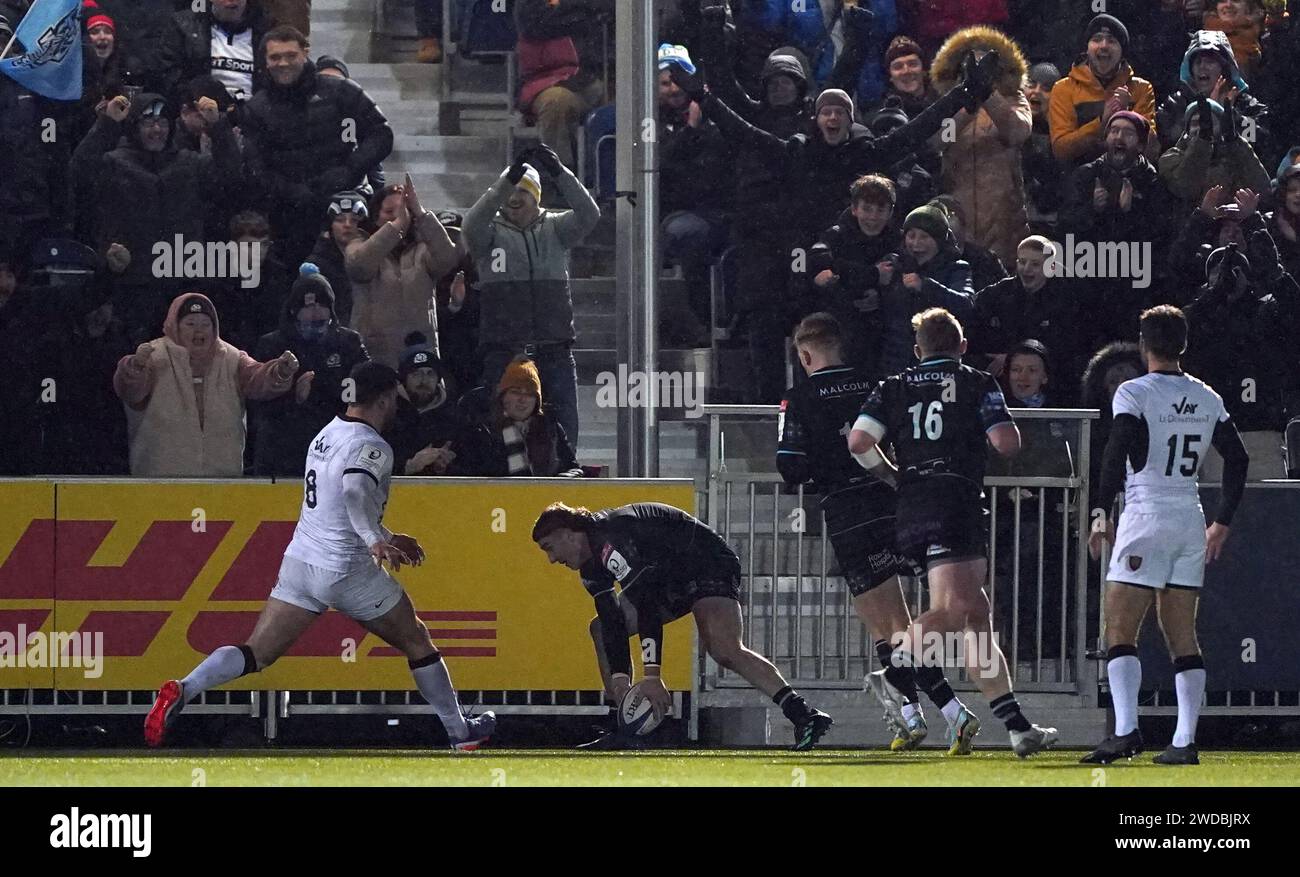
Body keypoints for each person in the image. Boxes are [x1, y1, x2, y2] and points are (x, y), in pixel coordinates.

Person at [145, 361, 496, 751]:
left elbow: (334, 504)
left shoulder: (326, 433)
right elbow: (353, 492)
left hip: (301, 562)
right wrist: (373, 540)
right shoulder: (373, 444)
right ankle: (459, 730)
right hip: (344, 567)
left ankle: (185, 687)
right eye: (393, 396)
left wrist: (387, 534)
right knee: (417, 641)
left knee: (257, 653)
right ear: (382, 398)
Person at [848, 307, 1058, 757]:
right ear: (962, 347)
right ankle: (896, 674)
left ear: (917, 349)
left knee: (977, 618)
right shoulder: (977, 382)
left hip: (911, 506)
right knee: (956, 607)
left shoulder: (894, 385)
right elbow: (1006, 443)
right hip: (957, 502)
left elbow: (859, 442)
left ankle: (1017, 727)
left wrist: (891, 475)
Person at [778, 313, 978, 753]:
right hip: (893, 503)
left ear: (805, 354)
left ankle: (952, 713)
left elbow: (790, 465)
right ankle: (911, 717)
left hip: (848, 512)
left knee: (888, 624)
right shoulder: (873, 383)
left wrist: (824, 464)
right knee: (892, 624)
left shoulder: (800, 396)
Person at [1083, 305, 1249, 766]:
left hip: (1146, 515)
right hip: (1190, 519)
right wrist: (1222, 521)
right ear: (1184, 345)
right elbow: (1238, 459)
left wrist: (1100, 512)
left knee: (1119, 629)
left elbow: (1116, 454)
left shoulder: (1134, 392)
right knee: (1182, 635)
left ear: (1142, 345)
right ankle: (1183, 741)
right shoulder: (1206, 396)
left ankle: (1124, 732)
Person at [532, 501, 834, 750]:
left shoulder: (611, 538)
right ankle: (622, 725)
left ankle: (803, 713)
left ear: (568, 533)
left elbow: (646, 602)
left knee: (724, 649)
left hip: (706, 561)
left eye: (549, 547)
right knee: (600, 628)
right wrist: (621, 679)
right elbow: (613, 622)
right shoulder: (590, 567)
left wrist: (652, 675)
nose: (551, 559)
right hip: (669, 576)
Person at [463, 145, 600, 444]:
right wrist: (507, 180)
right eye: (510, 192)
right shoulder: (488, 234)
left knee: (564, 422)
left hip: (554, 346)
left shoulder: (556, 227)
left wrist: (559, 173)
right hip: (502, 346)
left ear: (536, 195)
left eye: (522, 191)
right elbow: (470, 224)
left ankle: (566, 471)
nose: (514, 197)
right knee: (494, 425)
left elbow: (590, 214)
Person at [241, 26, 394, 265]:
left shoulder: (341, 90)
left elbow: (381, 134)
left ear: (305, 53)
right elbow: (255, 168)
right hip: (290, 217)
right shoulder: (256, 109)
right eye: (275, 57)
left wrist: (348, 171)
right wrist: (292, 191)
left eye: (291, 55)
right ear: (265, 61)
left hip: (347, 211)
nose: (283, 63)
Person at [113, 293, 299, 477]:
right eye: (190, 324)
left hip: (222, 484)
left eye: (205, 324)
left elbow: (258, 378)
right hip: (159, 484)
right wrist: (135, 367)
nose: (199, 331)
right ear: (175, 326)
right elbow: (129, 392)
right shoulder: (153, 356)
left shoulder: (232, 358)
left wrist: (280, 372)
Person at [928, 26, 1032, 267]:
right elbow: (939, 141)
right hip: (957, 216)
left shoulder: (1014, 98)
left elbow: (1017, 132)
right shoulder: (948, 102)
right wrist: (968, 103)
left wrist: (988, 95)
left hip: (1004, 216)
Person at [251, 267, 369, 476]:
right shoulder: (272, 346)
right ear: (294, 310)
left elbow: (364, 391)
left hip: (336, 446)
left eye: (321, 304)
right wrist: (293, 397)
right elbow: (259, 405)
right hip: (284, 452)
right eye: (308, 305)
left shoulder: (348, 343)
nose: (315, 311)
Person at [345, 176, 458, 369]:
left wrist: (422, 214)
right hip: (374, 356)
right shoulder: (358, 244)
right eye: (389, 212)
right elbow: (359, 268)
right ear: (375, 216)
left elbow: (448, 258)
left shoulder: (423, 249)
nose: (398, 217)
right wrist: (396, 227)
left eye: (404, 211)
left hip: (420, 356)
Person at [1048, 14, 1156, 166]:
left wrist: (1129, 118)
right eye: (1097, 39)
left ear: (1122, 52)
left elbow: (1151, 150)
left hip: (1129, 178)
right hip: (1078, 180)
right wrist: (1101, 123)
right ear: (1087, 48)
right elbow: (1061, 151)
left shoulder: (1141, 89)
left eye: (1112, 40)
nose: (1104, 45)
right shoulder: (1063, 89)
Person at [473, 355, 582, 478]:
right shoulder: (483, 430)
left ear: (537, 401)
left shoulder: (551, 427)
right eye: (516, 392)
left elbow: (573, 467)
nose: (522, 399)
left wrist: (563, 479)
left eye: (530, 394)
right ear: (503, 396)